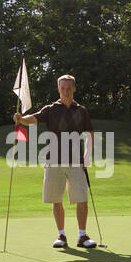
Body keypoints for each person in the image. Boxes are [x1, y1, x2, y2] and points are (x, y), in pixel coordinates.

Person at [14, 74, 98, 249]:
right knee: (56, 199)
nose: (66, 91)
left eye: (69, 88)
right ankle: (61, 235)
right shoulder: (51, 109)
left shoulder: (81, 111)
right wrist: (21, 119)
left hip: (76, 162)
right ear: (58, 89)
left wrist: (87, 156)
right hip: (53, 161)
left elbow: (90, 133)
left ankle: (82, 236)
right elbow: (34, 118)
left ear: (74, 89)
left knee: (82, 198)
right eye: (63, 88)